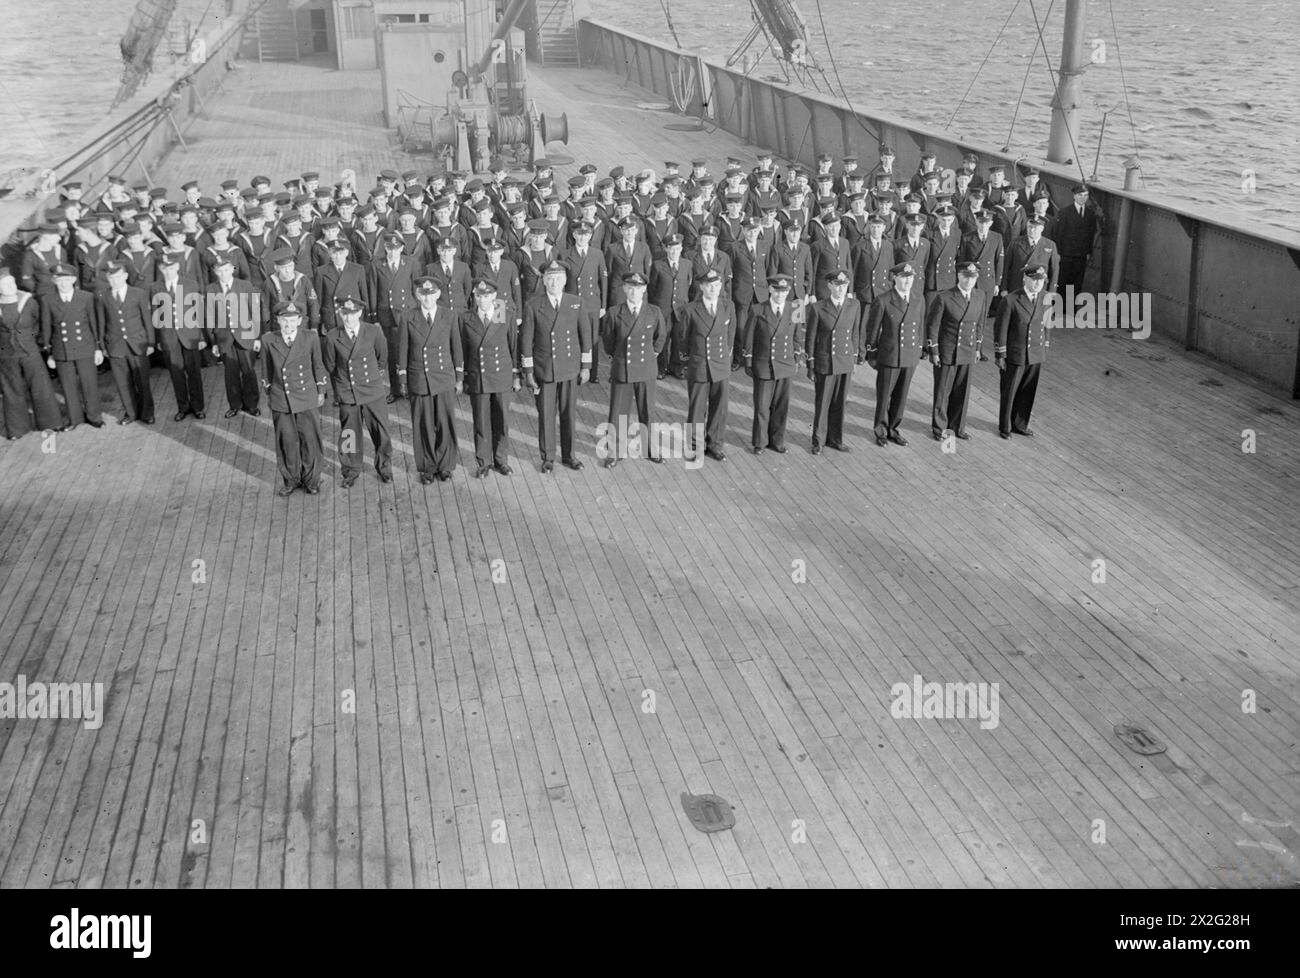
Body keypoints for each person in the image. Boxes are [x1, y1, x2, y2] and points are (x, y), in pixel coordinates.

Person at [521, 261, 591, 473]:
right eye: (550, 278)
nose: (554, 283)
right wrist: (529, 371)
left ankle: (570, 456)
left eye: (558, 278)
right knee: (546, 415)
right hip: (546, 369)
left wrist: (586, 366)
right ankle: (548, 457)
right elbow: (526, 341)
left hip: (569, 368)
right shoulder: (533, 305)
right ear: (543, 280)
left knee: (568, 414)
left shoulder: (576, 302)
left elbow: (585, 336)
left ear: (565, 281)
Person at [397, 277, 462, 483]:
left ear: (437, 295)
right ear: (417, 295)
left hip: (443, 377)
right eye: (422, 295)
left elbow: (456, 347)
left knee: (445, 422)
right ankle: (427, 466)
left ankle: (445, 465)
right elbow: (403, 350)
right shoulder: (408, 316)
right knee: (423, 424)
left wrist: (459, 377)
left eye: (430, 294)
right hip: (419, 377)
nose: (427, 298)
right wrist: (403, 379)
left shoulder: (449, 315)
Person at [322, 297, 392, 486]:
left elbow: (381, 357)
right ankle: (350, 471)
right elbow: (329, 365)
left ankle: (384, 468)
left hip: (372, 391)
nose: (348, 318)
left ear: (360, 313)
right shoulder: (332, 336)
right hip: (348, 392)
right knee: (349, 435)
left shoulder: (373, 331)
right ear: (340, 314)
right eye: (345, 314)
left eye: (352, 314)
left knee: (381, 432)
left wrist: (374, 377)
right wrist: (340, 388)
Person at [602, 271, 667, 467]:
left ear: (644, 289)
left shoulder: (654, 312)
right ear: (623, 289)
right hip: (623, 368)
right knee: (618, 412)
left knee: (647, 410)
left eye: (637, 288)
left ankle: (650, 449)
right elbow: (608, 342)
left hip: (646, 369)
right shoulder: (614, 313)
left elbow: (660, 338)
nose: (633, 291)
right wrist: (620, 358)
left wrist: (651, 355)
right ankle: (615, 451)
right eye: (629, 287)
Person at [262, 300, 327, 495]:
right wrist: (271, 394)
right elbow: (266, 371)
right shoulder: (268, 340)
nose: (288, 325)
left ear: (300, 320)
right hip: (281, 398)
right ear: (277, 321)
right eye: (284, 320)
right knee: (287, 442)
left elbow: (318, 365)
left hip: (306, 396)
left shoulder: (310, 338)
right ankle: (291, 479)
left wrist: (321, 390)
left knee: (310, 440)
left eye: (292, 320)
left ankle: (311, 479)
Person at [460, 279, 520, 478]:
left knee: (501, 421)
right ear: (474, 297)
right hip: (479, 377)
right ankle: (484, 462)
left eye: (486, 296)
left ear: (494, 296)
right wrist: (465, 377)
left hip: (501, 376)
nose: (483, 300)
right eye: (479, 296)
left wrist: (515, 375)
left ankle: (501, 460)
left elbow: (513, 347)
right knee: (481, 422)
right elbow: (463, 350)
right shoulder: (466, 318)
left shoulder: (506, 315)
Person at [925, 260, 989, 441]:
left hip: (967, 351)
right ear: (959, 276)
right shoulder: (944, 297)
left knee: (962, 391)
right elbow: (933, 326)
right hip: (948, 351)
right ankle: (939, 428)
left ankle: (957, 427)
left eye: (973, 277)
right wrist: (934, 351)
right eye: (966, 277)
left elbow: (980, 324)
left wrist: (977, 348)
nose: (969, 281)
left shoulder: (980, 296)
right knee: (943, 392)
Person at [864, 262, 925, 447]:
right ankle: (881, 431)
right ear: (895, 279)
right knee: (884, 396)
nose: (907, 281)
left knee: (901, 395)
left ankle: (893, 429)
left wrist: (919, 349)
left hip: (909, 355)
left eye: (910, 278)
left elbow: (920, 325)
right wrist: (872, 353)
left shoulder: (918, 298)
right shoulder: (883, 300)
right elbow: (873, 329)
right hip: (890, 355)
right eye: (903, 278)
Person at [743, 273, 802, 454]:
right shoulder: (758, 309)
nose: (780, 294)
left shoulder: (795, 309)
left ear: (788, 291)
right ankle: (760, 442)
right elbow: (749, 338)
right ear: (770, 289)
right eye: (776, 290)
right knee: (762, 406)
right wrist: (749, 361)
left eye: (784, 291)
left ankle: (777, 441)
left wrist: (797, 358)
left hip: (785, 365)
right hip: (764, 365)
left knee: (781, 407)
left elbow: (797, 338)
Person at [40, 264, 104, 429]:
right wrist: (49, 353)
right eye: (59, 280)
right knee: (68, 386)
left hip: (85, 346)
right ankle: (75, 418)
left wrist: (98, 347)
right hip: (61, 349)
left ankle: (94, 416)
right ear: (55, 281)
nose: (63, 283)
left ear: (74, 280)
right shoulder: (47, 299)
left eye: (67, 279)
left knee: (89, 384)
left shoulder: (86, 297)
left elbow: (93, 323)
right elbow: (46, 326)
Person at [681, 268, 735, 461]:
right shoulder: (690, 309)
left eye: (717, 285)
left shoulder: (728, 306)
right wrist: (691, 360)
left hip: (720, 365)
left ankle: (715, 444)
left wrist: (726, 359)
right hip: (700, 365)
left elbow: (730, 336)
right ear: (702, 287)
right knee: (697, 409)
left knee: (720, 408)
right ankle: (695, 447)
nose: (714, 289)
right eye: (710, 286)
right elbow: (683, 339)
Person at [805, 269, 862, 453]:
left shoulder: (854, 305)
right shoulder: (818, 307)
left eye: (844, 285)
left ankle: (836, 439)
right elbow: (811, 338)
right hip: (826, 362)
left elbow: (855, 334)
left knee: (839, 403)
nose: (840, 289)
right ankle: (818, 441)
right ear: (829, 285)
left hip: (844, 362)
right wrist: (811, 365)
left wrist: (853, 359)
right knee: (822, 403)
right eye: (837, 285)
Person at [0, 272, 62, 437]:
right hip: (7, 356)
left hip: (30, 352)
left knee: (40, 386)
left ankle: (51, 423)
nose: (11, 286)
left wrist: (30, 340)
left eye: (12, 282)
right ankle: (17, 429)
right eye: (5, 284)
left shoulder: (29, 302)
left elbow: (38, 323)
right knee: (11, 390)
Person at [994, 263, 1052, 438]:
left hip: (1035, 352)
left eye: (1040, 281)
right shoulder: (1011, 300)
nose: (1037, 284)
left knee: (1028, 391)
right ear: (1025, 279)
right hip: (1015, 353)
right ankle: (1005, 426)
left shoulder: (1045, 298)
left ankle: (1020, 423)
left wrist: (1045, 347)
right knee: (1010, 391)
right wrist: (1000, 354)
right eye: (1034, 280)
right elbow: (1001, 329)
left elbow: (1047, 325)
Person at [96, 261, 156, 425]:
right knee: (123, 383)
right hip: (115, 345)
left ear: (125, 276)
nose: (114, 281)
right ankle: (131, 412)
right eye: (111, 278)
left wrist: (150, 343)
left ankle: (147, 413)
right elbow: (101, 322)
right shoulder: (102, 296)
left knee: (142, 381)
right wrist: (102, 345)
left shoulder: (138, 293)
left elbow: (147, 320)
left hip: (137, 344)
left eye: (117, 277)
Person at [152, 251, 208, 421]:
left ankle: (198, 407)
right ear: (161, 269)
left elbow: (199, 313)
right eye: (164, 268)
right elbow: (156, 315)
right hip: (169, 337)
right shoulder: (156, 288)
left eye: (171, 267)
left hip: (190, 336)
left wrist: (202, 337)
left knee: (193, 372)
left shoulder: (190, 284)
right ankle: (183, 407)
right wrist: (159, 339)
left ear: (177, 267)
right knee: (176, 373)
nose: (168, 271)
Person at [208, 254, 264, 417]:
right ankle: (235, 405)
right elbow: (210, 317)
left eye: (226, 269)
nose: (224, 273)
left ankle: (252, 404)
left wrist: (257, 338)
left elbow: (254, 313)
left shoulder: (245, 285)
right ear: (215, 272)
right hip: (224, 338)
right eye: (220, 270)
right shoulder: (211, 289)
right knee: (230, 373)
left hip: (245, 336)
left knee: (248, 370)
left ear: (232, 269)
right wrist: (214, 342)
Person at [647, 232, 692, 379]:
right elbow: (652, 288)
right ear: (666, 249)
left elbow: (689, 285)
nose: (674, 251)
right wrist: (656, 308)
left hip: (680, 309)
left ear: (681, 248)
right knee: (663, 338)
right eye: (671, 248)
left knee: (679, 339)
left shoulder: (687, 264)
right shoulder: (658, 265)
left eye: (677, 248)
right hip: (663, 308)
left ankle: (677, 367)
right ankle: (661, 368)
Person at [1051, 184, 1099, 304]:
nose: (1083, 198)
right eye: (1080, 195)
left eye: (1085, 195)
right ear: (1074, 196)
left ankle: (1070, 309)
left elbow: (1090, 235)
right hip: (1066, 254)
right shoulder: (1065, 212)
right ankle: (1058, 308)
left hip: (1081, 255)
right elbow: (1058, 234)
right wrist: (1058, 253)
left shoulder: (1090, 214)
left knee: (1077, 283)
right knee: (1062, 282)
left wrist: (1089, 252)